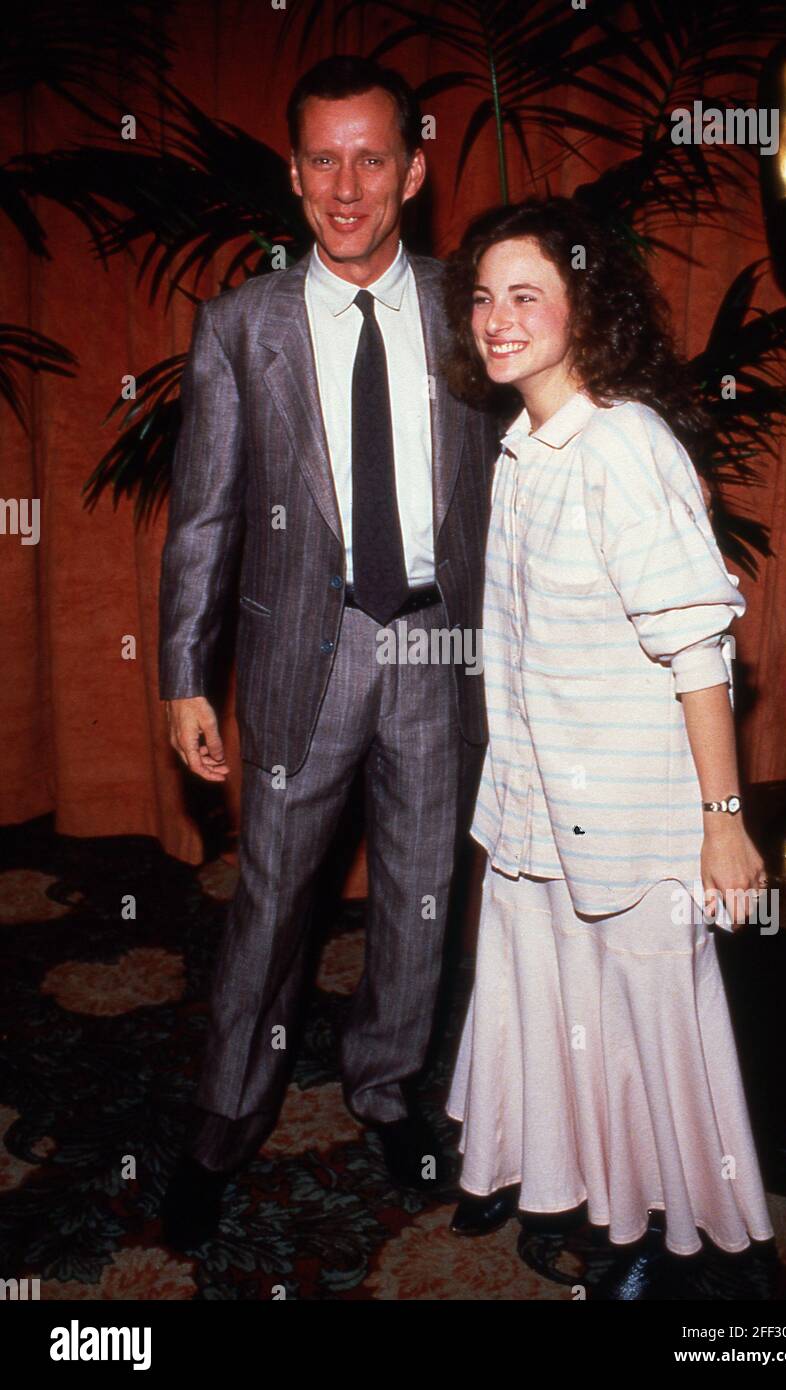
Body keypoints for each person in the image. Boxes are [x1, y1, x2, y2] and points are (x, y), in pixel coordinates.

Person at [157, 55, 497, 1251]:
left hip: (440, 646)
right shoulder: (240, 327)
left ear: (413, 167)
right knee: (271, 904)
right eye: (321, 161)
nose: (345, 187)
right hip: (311, 650)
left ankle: (387, 1091)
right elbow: (203, 516)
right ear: (293, 174)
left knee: (419, 895)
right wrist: (184, 674)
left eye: (370, 158)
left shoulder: (475, 310)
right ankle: (220, 1125)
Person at [441, 197, 776, 1298]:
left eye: (525, 295)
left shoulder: (622, 445)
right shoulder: (525, 444)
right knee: (557, 1010)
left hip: (636, 816)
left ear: (589, 308)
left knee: (652, 1039)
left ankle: (698, 1247)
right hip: (538, 805)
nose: (497, 318)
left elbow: (695, 646)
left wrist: (722, 827)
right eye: (484, 297)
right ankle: (582, 1191)